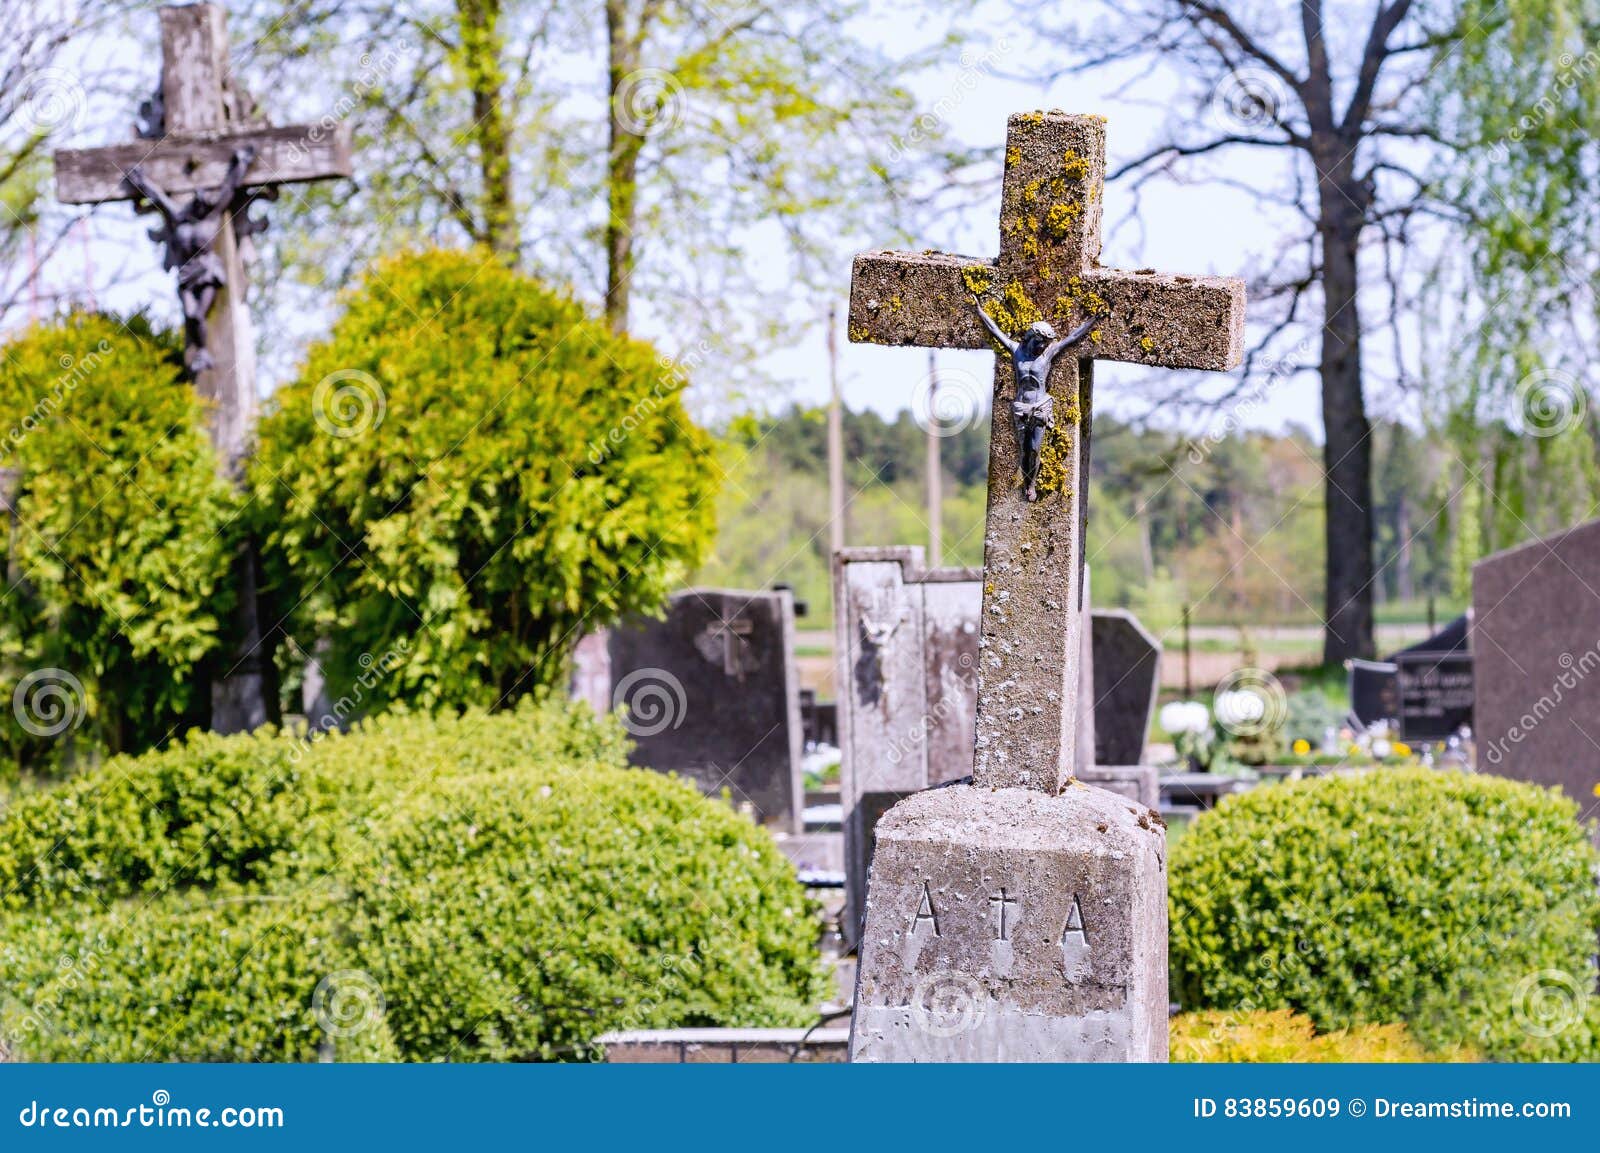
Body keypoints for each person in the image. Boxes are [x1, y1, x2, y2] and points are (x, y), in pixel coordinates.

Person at [123, 144, 257, 374]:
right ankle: (201, 351)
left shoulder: (212, 218)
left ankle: (203, 351)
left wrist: (241, 164)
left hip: (207, 270)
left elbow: (229, 188)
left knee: (196, 314)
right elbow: (158, 197)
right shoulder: (178, 218)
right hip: (186, 273)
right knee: (190, 313)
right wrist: (141, 181)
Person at [970, 298, 1093, 501]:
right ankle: (1027, 481)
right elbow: (995, 331)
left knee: (1034, 449)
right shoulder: (1016, 351)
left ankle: (1031, 484)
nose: (1042, 346)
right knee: (1023, 451)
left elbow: (1072, 337)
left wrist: (1092, 320)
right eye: (1040, 342)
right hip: (1021, 407)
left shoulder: (1047, 354)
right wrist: (979, 310)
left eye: (1046, 343)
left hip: (1040, 406)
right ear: (1031, 337)